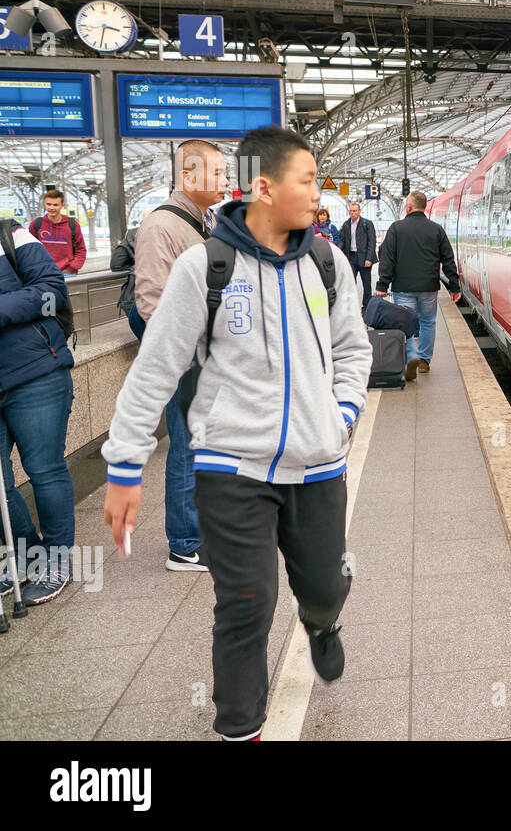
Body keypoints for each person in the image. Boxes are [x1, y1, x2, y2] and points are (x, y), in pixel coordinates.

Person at [101, 126, 372, 741]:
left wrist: (343, 416)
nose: (316, 192)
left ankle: (323, 622)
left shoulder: (328, 263)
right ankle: (239, 728)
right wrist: (123, 465)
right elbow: (157, 367)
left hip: (317, 463)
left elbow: (354, 350)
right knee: (247, 604)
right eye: (306, 179)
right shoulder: (206, 267)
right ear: (264, 187)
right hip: (230, 465)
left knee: (324, 588)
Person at [126, 139, 229, 572]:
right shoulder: (162, 227)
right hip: (184, 358)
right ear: (189, 177)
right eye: (219, 173)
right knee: (186, 447)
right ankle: (184, 544)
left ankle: (200, 532)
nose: (227, 182)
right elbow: (150, 301)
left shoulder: (200, 221)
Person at [0, 218, 76, 605]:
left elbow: (52, 292)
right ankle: (27, 554)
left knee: (45, 471)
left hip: (36, 374)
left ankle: (58, 561)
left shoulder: (9, 234)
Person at [375, 191, 461, 382]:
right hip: (428, 286)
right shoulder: (436, 229)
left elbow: (387, 259)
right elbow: (448, 259)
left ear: (409, 207)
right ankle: (423, 360)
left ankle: (411, 357)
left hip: (403, 286)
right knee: (428, 322)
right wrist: (454, 286)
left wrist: (382, 284)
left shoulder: (396, 228)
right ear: (424, 207)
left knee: (405, 323)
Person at [29, 190, 86, 276]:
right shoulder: (36, 224)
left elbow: (81, 249)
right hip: (42, 273)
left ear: (62, 206)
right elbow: (30, 249)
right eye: (48, 204)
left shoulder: (73, 225)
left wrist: (71, 268)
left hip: (67, 273)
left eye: (55, 205)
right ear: (44, 205)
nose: (51, 208)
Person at [337, 201, 377, 310]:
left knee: (366, 284)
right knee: (350, 283)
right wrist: (338, 251)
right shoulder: (346, 224)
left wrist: (369, 258)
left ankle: (366, 307)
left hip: (364, 257)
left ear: (359, 211)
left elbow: (371, 242)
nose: (352, 213)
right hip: (351, 258)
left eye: (354, 211)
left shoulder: (367, 224)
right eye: (350, 211)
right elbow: (342, 240)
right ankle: (352, 306)